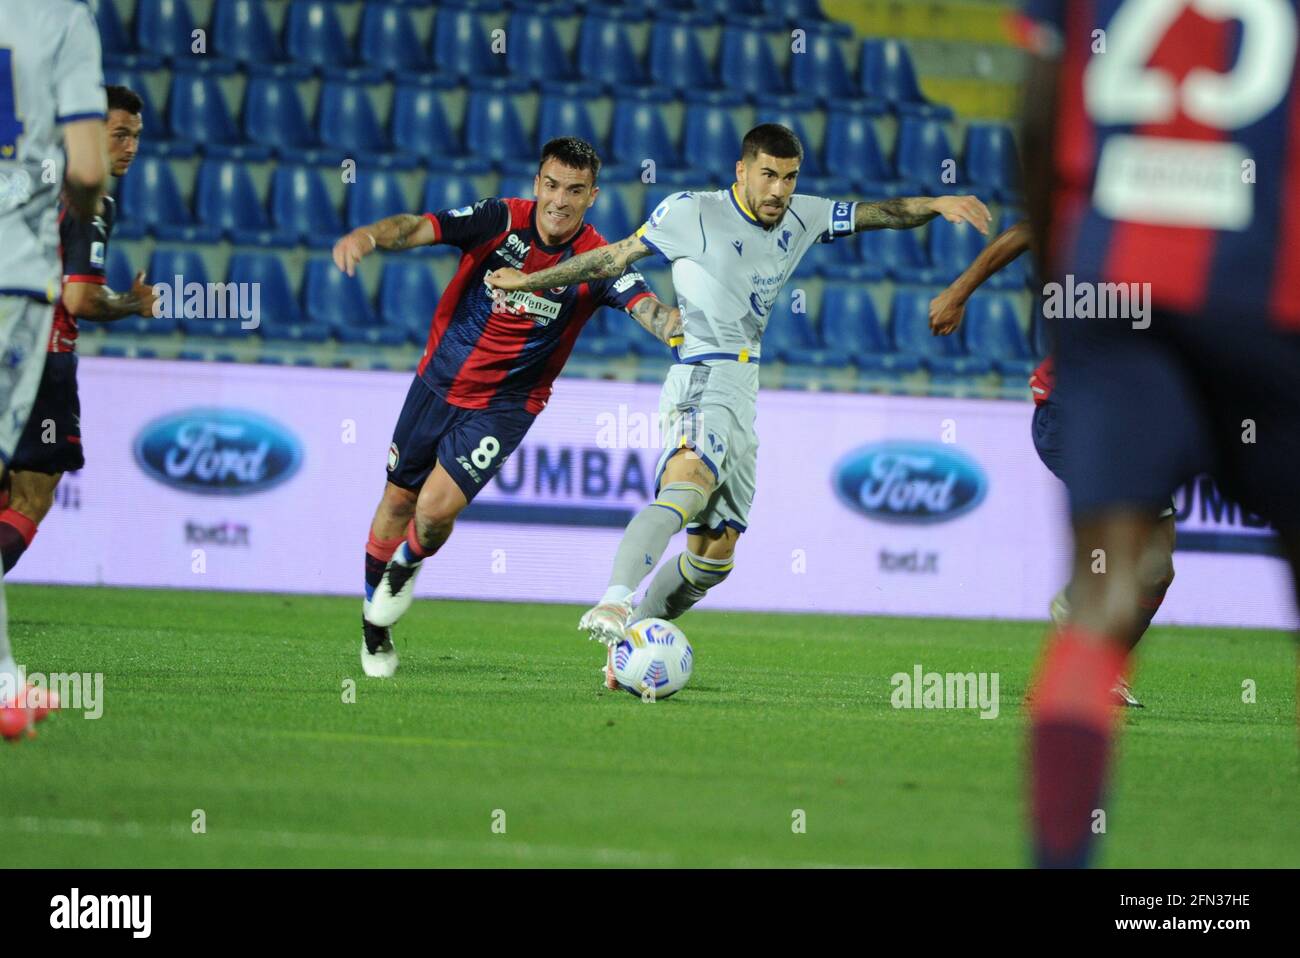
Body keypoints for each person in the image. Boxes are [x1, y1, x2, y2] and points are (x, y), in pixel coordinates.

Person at [488, 123, 991, 688]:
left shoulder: (804, 215)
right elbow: (611, 261)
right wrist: (534, 277)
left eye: (790, 177)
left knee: (713, 558)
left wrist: (937, 202)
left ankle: (630, 640)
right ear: (742, 172)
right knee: (688, 484)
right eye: (769, 175)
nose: (779, 190)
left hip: (743, 387)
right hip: (703, 372)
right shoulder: (690, 212)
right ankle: (614, 600)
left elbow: (882, 213)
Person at [1019, 0, 1300, 867]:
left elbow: (1034, 113)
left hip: (1114, 292)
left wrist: (1060, 290)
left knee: (1099, 594)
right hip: (1267, 302)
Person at [337, 137, 681, 678]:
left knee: (432, 512)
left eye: (574, 190)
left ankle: (406, 563)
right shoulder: (499, 219)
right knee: (397, 502)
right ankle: (373, 628)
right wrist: (369, 235)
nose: (559, 200)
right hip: (436, 384)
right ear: (536, 183)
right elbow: (418, 227)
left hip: (506, 406)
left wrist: (674, 327)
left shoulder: (598, 259)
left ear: (593, 195)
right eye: (551, 185)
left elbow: (649, 309)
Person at [928, 221, 1174, 707]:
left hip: (1131, 423)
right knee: (1123, 546)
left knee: (1158, 568)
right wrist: (958, 291)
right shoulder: (1110, 230)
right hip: (1072, 414)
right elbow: (1024, 233)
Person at [0, 0, 108, 740]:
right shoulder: (64, 20)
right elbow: (86, 165)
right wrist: (87, 209)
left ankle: (5, 681)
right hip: (13, 272)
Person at [0, 85, 155, 573]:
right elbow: (80, 298)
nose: (129, 147)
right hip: (40, 358)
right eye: (119, 135)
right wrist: (132, 303)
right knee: (32, 495)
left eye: (135, 136)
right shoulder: (90, 199)